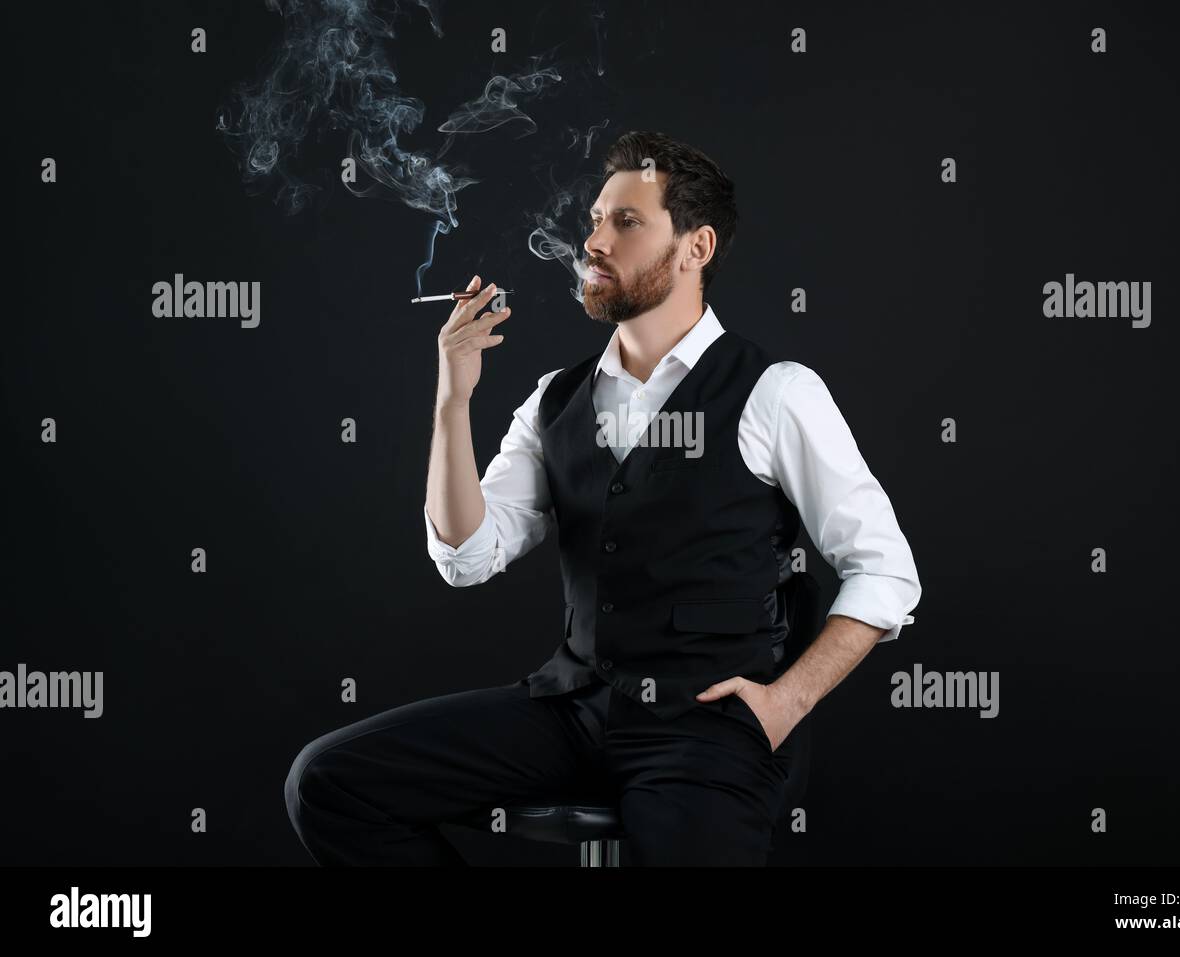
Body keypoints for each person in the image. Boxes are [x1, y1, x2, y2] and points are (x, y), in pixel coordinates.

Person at [285, 130, 921, 866]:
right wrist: (452, 401)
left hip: (705, 731)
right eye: (594, 220)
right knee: (330, 781)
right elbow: (465, 555)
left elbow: (886, 571)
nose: (594, 240)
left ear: (696, 248)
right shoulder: (555, 398)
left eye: (626, 222)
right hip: (573, 712)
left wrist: (786, 702)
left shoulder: (776, 392)